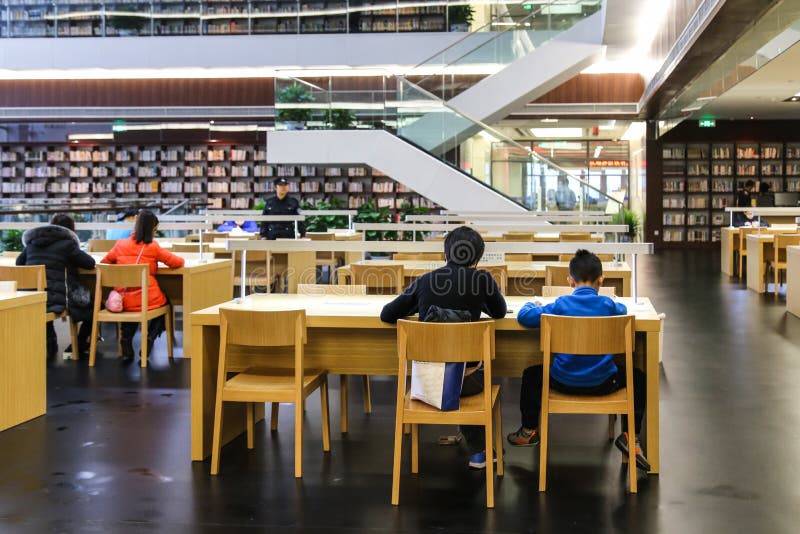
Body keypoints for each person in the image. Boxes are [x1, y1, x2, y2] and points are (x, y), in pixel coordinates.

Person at [506, 249, 650, 471]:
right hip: (604, 384)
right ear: (601, 279)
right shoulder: (609, 306)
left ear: (569, 281)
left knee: (531, 374)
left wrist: (533, 304)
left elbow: (524, 317)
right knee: (639, 377)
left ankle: (528, 430)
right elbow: (624, 310)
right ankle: (631, 435)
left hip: (561, 382)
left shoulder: (561, 305)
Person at [380, 226, 507, 469]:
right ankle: (480, 451)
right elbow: (499, 312)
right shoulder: (482, 280)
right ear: (478, 257)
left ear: (444, 254)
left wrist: (419, 307)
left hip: (426, 382)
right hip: (468, 384)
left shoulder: (427, 280)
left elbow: (388, 315)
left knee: (451, 364)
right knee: (473, 368)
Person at [100, 210, 184, 362]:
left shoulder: (120, 244)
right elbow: (177, 263)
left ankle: (125, 339)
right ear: (153, 230)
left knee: (132, 305)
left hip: (123, 299)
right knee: (167, 304)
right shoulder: (153, 247)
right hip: (148, 299)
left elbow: (105, 262)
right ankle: (150, 337)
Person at [17, 214, 96, 362]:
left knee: (48, 297)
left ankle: (50, 336)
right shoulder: (68, 245)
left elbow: (19, 263)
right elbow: (90, 263)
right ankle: (77, 345)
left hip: (34, 298)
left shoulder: (32, 245)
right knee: (95, 306)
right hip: (65, 294)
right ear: (71, 230)